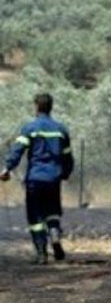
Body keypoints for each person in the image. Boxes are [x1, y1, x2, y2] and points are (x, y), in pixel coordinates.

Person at [2, 92, 74, 264]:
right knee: (52, 212)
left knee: (35, 217)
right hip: (53, 179)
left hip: (35, 178)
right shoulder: (61, 130)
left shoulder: (30, 128)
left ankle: (42, 253)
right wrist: (65, 173)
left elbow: (17, 150)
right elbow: (68, 157)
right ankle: (55, 237)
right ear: (51, 107)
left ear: (36, 106)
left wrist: (7, 169)